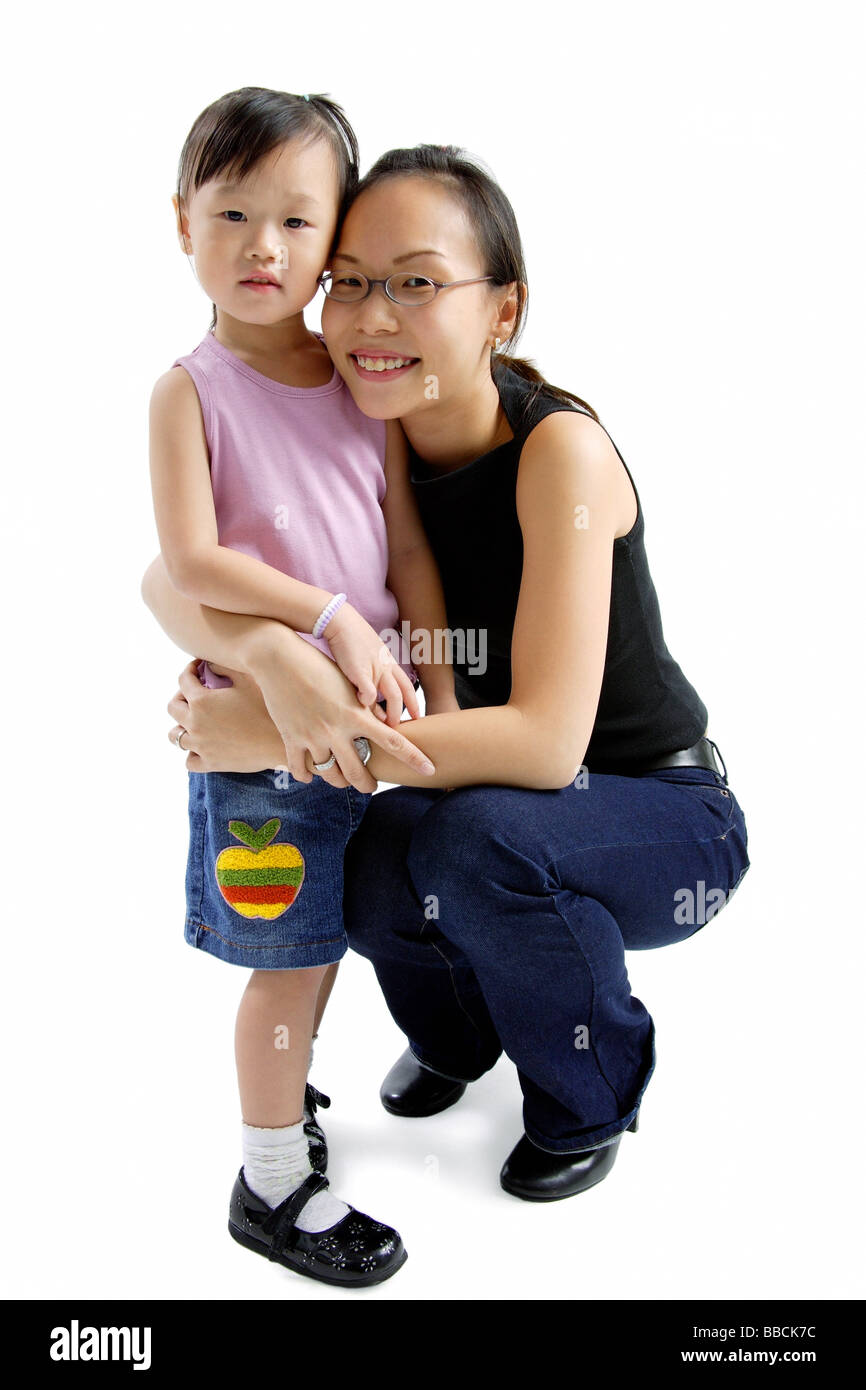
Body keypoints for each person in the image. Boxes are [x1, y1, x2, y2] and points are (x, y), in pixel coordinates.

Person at [142, 142, 751, 1215]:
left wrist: (284, 736)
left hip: (658, 806)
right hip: (484, 782)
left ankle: (587, 1090)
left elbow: (544, 749)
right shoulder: (364, 434)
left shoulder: (554, 453)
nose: (373, 317)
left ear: (501, 309)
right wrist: (276, 656)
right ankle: (462, 1035)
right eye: (352, 282)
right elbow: (167, 580)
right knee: (364, 850)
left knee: (476, 844)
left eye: (416, 283)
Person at [146, 90, 461, 1288]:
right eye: (231, 213)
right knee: (289, 958)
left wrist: (428, 665)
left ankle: (292, 1087)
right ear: (181, 223)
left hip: (374, 720)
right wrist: (327, 621)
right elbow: (193, 561)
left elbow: (407, 548)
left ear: (334, 239)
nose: (262, 248)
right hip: (262, 740)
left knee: (331, 945)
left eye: (294, 220)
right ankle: (271, 1178)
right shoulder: (190, 392)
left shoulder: (352, 373)